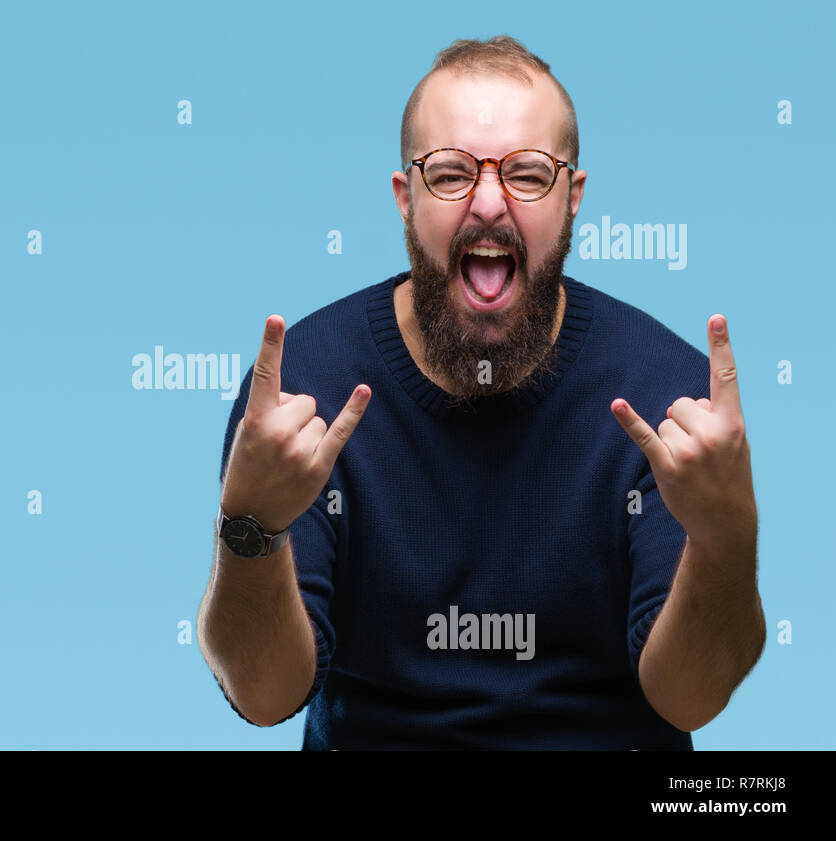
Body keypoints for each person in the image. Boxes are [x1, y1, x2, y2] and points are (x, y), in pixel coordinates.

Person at [195, 36, 764, 749]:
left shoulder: (668, 400)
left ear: (572, 198)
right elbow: (263, 695)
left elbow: (692, 696)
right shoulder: (299, 394)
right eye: (450, 174)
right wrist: (252, 525)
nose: (489, 203)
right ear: (405, 200)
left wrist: (727, 538)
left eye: (528, 174)